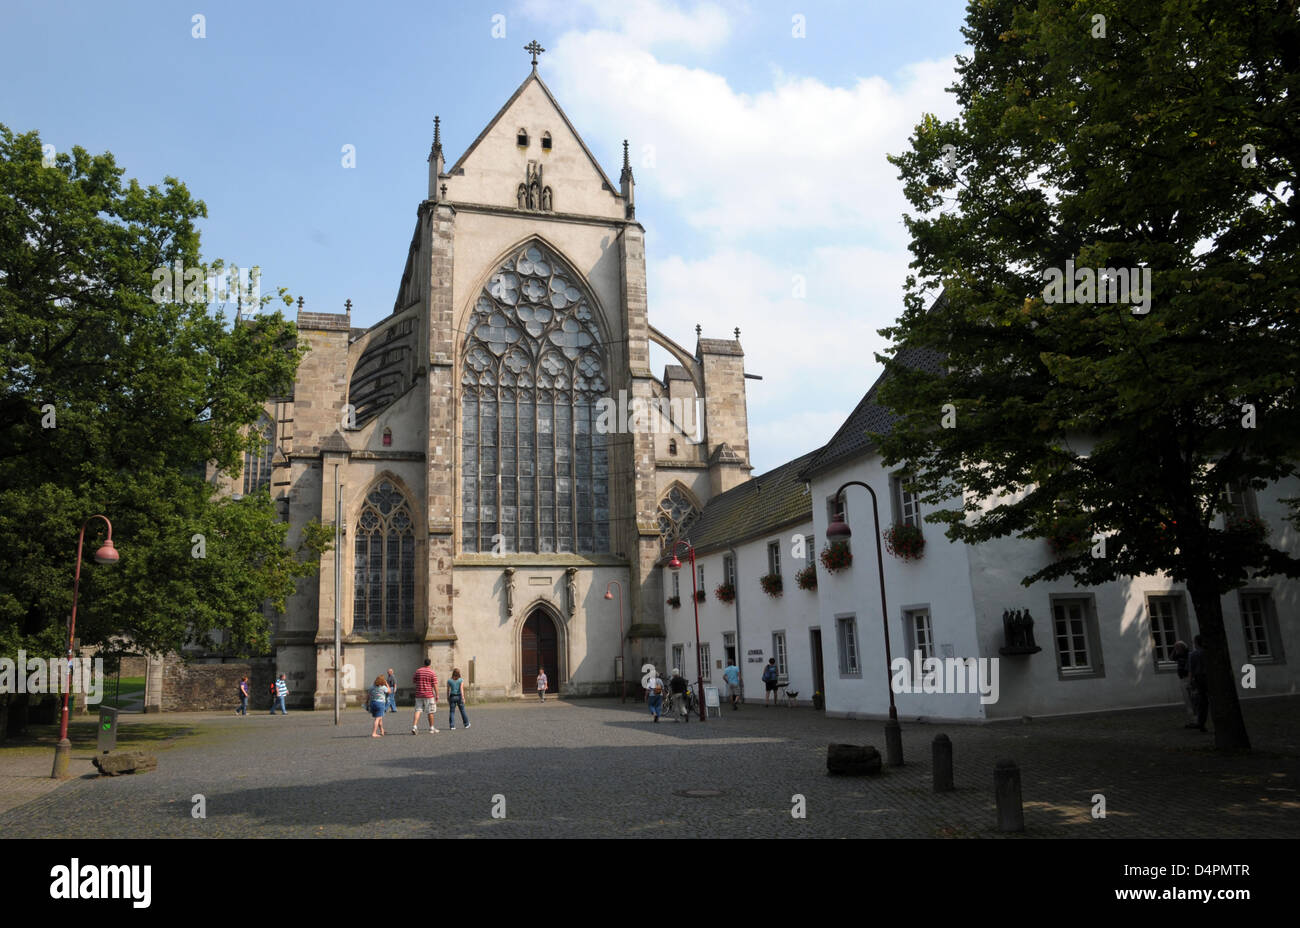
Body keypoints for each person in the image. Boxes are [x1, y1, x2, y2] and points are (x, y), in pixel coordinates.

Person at [1187, 636, 1209, 732]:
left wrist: (1190, 682)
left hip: (1199, 679)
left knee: (1201, 702)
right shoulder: (1207, 653)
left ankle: (1201, 723)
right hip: (1209, 678)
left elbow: (1191, 670)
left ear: (1196, 643)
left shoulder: (1193, 654)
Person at [1172, 640, 1196, 726]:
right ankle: (1192, 720)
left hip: (1187, 679)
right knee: (1188, 700)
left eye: (1177, 647)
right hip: (1183, 679)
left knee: (1191, 700)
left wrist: (1190, 680)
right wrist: (1175, 650)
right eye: (1176, 648)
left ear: (1182, 647)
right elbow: (1171, 658)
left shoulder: (1188, 654)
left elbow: (1189, 669)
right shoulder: (1179, 655)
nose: (1176, 649)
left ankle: (1195, 720)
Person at [412, 658, 439, 734]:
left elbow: (414, 681)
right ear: (430, 664)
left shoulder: (418, 671)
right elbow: (435, 685)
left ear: (424, 663)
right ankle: (431, 728)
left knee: (418, 710)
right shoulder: (432, 672)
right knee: (430, 711)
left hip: (418, 694)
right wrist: (437, 695)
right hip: (429, 694)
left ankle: (414, 726)